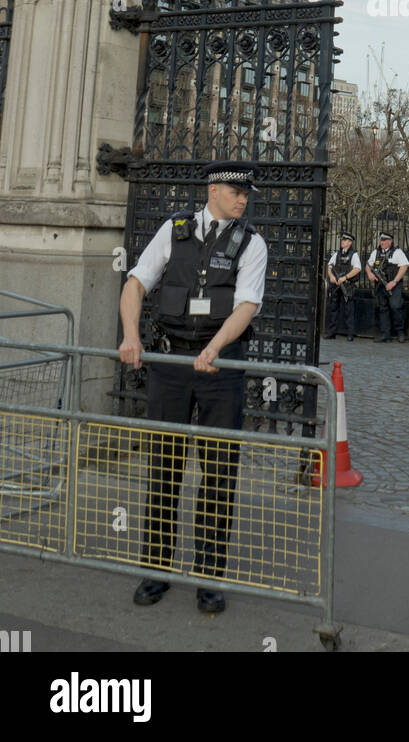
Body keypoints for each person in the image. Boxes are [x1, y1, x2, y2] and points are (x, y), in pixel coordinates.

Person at [118, 160, 268, 614]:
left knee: (219, 472)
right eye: (235, 191)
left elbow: (247, 306)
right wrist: (130, 334)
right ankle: (156, 570)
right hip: (171, 361)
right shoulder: (175, 229)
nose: (243, 199)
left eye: (246, 194)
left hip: (221, 365)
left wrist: (216, 347)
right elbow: (136, 283)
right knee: (164, 464)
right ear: (213, 190)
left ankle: (208, 576)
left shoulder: (252, 243)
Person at [365, 231, 409, 342]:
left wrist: (394, 281)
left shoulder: (397, 252)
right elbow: (368, 265)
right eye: (381, 240)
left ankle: (400, 332)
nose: (382, 242)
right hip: (380, 285)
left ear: (390, 241)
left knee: (396, 307)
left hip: (393, 284)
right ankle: (385, 334)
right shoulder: (376, 252)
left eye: (384, 240)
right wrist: (370, 274)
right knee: (382, 308)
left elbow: (404, 266)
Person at [325, 233, 361, 340]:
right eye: (342, 240)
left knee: (348, 310)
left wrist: (345, 277)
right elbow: (329, 266)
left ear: (350, 242)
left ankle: (350, 334)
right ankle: (331, 333)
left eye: (345, 240)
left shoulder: (354, 254)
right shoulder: (337, 254)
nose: (342, 242)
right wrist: (331, 276)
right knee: (333, 308)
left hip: (347, 286)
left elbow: (357, 269)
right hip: (336, 285)